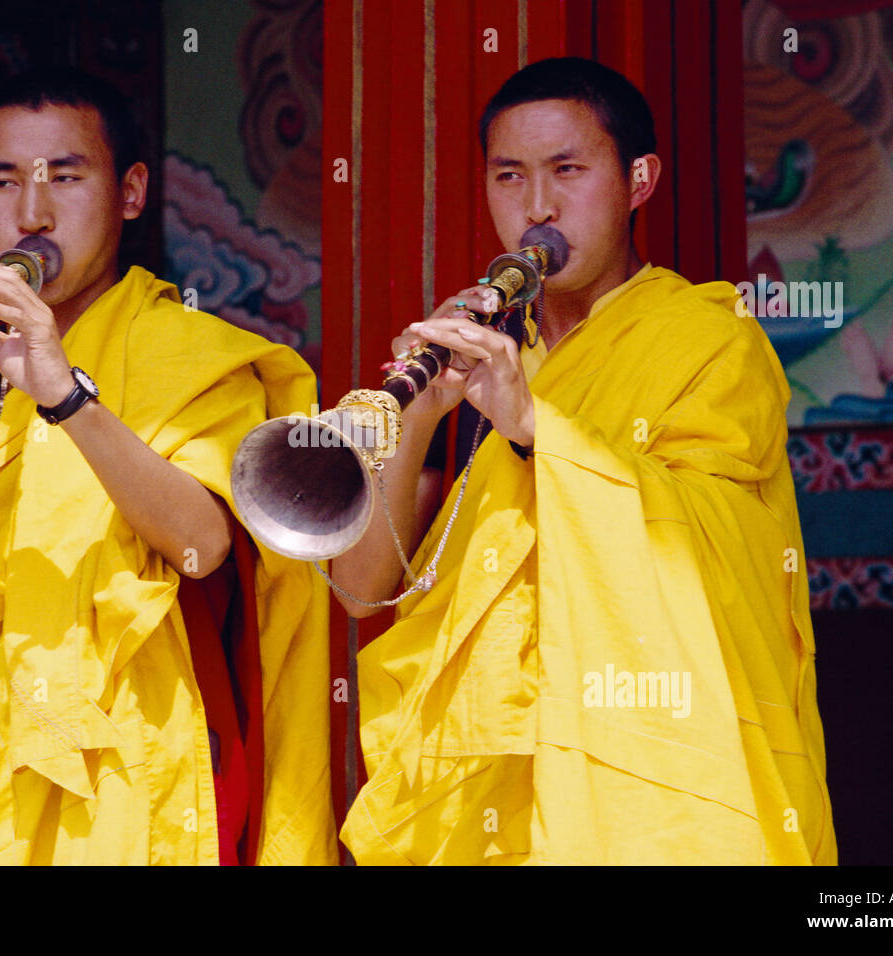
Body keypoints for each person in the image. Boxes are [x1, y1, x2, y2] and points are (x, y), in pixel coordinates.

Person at [0, 68, 335, 865]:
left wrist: (63, 395)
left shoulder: (185, 355)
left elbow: (201, 546)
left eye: (66, 178)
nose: (32, 212)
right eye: (2, 181)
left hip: (107, 782)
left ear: (132, 192)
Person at [330, 57, 836, 865]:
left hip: (643, 783)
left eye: (568, 170)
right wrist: (421, 414)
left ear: (639, 180)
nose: (537, 207)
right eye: (509, 177)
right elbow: (360, 590)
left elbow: (710, 548)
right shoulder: (482, 363)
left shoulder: (708, 342)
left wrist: (535, 425)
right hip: (487, 798)